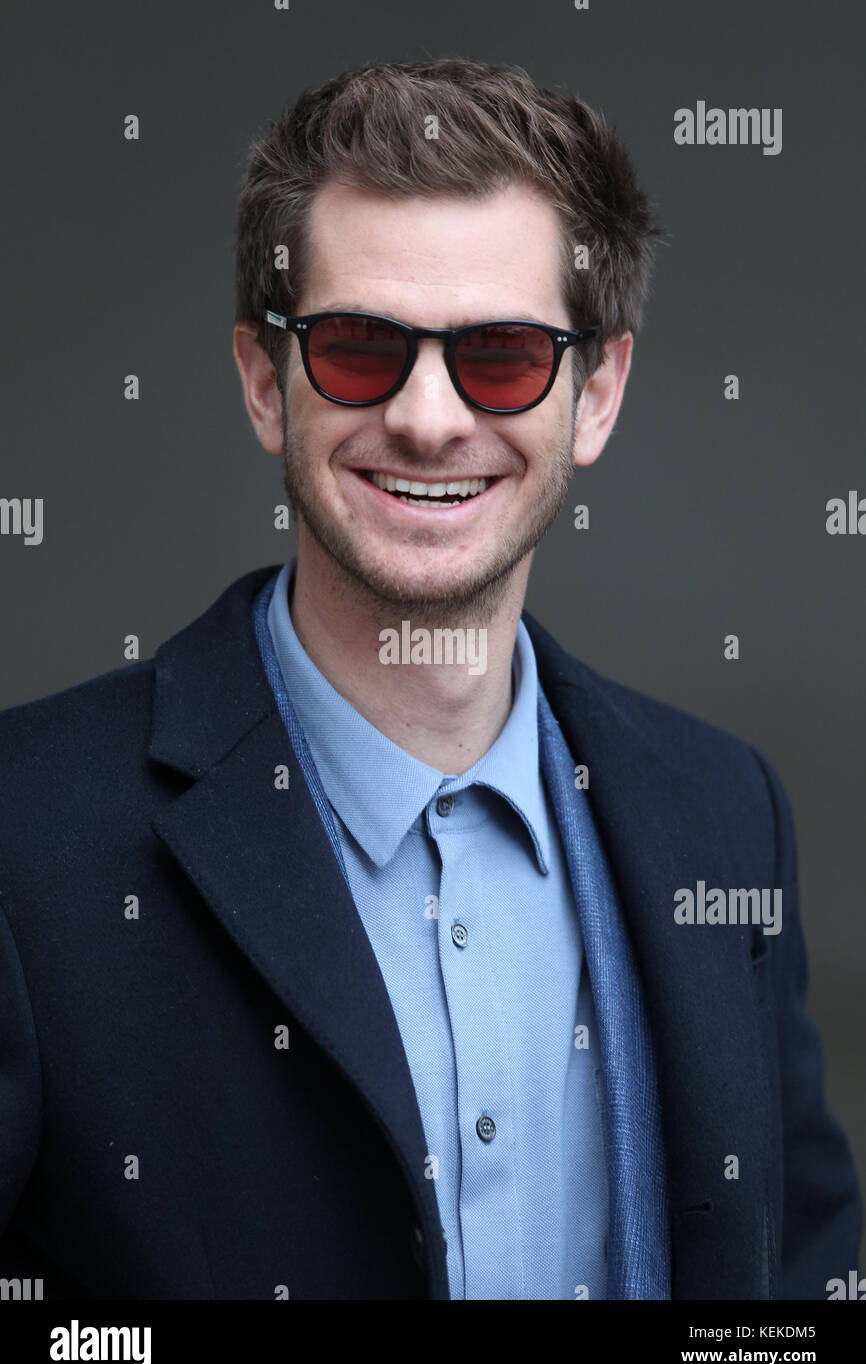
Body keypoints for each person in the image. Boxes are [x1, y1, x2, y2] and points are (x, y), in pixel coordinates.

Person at [0, 57, 859, 1301]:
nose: (426, 417)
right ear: (261, 380)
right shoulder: (25, 839)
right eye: (357, 349)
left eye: (502, 357)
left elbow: (795, 1280)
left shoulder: (724, 813)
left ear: (596, 392)